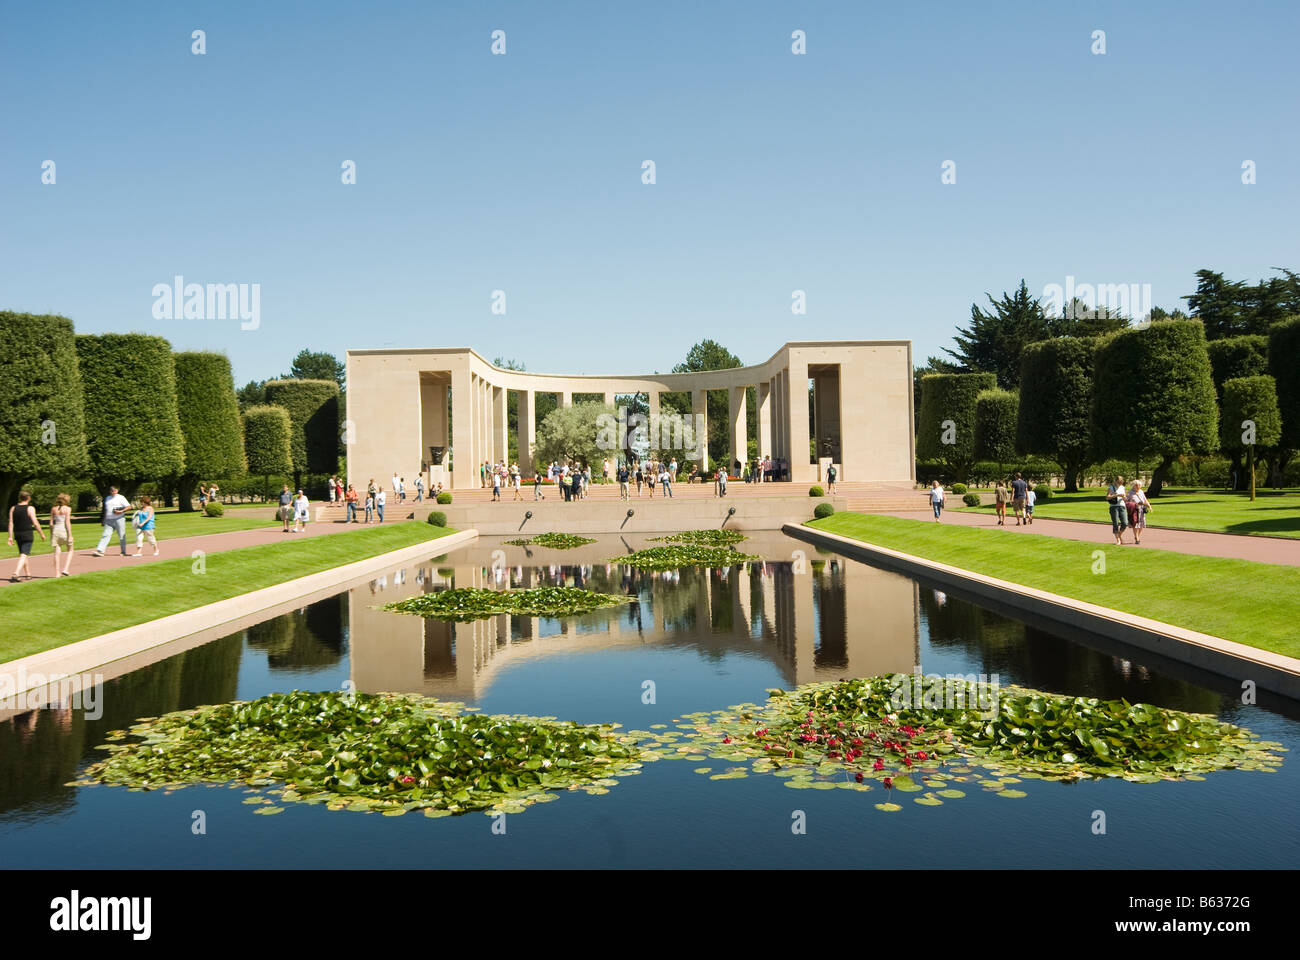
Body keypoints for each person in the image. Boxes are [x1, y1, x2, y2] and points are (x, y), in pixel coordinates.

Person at [7, 491, 44, 581]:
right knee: (24, 554)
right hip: (27, 533)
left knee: (23, 554)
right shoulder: (30, 508)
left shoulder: (13, 508)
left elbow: (11, 523)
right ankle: (16, 573)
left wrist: (10, 536)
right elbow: (35, 522)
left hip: (18, 534)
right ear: (28, 498)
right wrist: (41, 533)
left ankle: (28, 574)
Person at [93, 486, 131, 556]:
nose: (113, 492)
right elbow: (106, 510)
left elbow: (129, 506)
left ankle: (123, 551)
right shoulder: (107, 498)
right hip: (109, 520)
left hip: (119, 519)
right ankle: (100, 551)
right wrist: (103, 519)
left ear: (117, 490)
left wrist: (121, 511)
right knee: (105, 534)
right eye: (112, 490)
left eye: (114, 490)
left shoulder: (121, 497)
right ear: (110, 491)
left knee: (121, 535)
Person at [50, 492, 74, 577]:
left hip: (56, 530)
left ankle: (57, 573)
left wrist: (51, 535)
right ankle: (66, 569)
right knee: (70, 550)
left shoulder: (53, 509)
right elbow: (67, 522)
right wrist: (70, 535)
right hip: (63, 530)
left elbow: (51, 524)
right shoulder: (67, 509)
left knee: (56, 553)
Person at [1127, 480, 1153, 545]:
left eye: (1139, 485)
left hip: (1141, 510)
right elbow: (1126, 501)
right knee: (1135, 523)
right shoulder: (1130, 492)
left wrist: (1149, 506)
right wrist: (1134, 504)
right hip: (1134, 510)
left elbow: (1145, 500)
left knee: (1141, 524)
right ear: (1133, 485)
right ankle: (1137, 538)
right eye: (1136, 485)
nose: (1138, 486)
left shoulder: (1141, 491)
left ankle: (1137, 536)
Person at [1106, 475, 1128, 545]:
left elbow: (1125, 497)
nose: (1119, 484)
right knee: (1115, 523)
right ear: (1116, 481)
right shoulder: (1111, 487)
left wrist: (1124, 498)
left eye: (1121, 482)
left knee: (1125, 523)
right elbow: (1107, 497)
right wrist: (1116, 495)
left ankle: (1119, 535)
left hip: (1122, 506)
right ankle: (1118, 540)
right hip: (1114, 506)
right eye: (1118, 482)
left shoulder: (1122, 487)